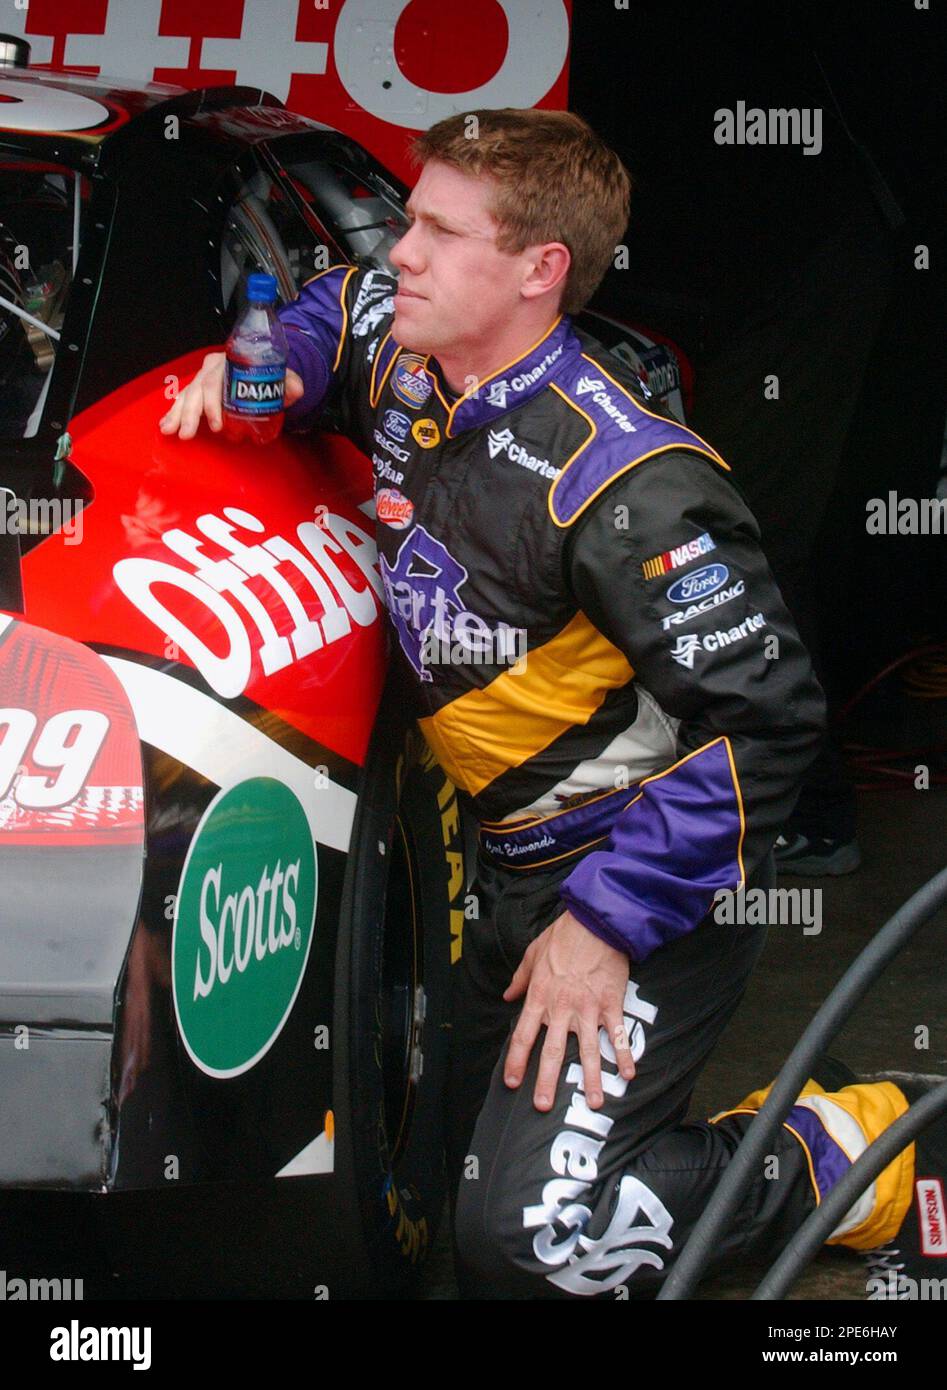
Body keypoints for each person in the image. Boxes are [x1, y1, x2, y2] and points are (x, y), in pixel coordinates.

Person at [159, 108, 929, 1299]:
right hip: (507, 877)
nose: (398, 250)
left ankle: (857, 1149)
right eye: (409, 219)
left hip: (640, 887)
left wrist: (607, 923)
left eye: (436, 231)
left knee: (530, 1240)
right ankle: (650, 1145)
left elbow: (766, 723)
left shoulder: (630, 482)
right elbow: (328, 314)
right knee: (431, 1191)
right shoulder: (396, 341)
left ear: (537, 270)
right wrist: (266, 366)